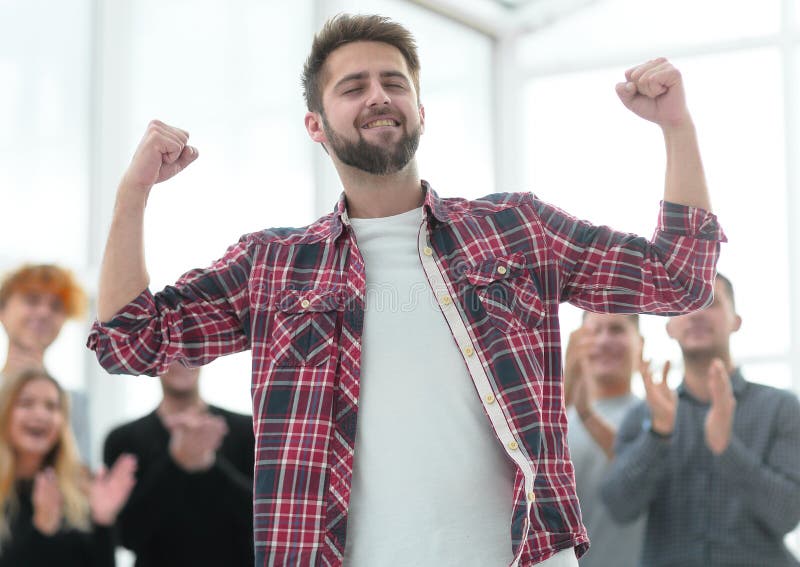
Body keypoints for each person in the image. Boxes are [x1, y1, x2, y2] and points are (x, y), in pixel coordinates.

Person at [87, 14, 725, 567]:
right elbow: (129, 340)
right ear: (315, 123)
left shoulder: (516, 231)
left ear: (421, 108)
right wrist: (132, 192)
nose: (378, 96)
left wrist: (677, 126)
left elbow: (679, 277)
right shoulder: (275, 265)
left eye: (394, 82)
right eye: (353, 86)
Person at [601, 274, 800, 566]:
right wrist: (658, 434)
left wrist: (726, 449)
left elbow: (788, 514)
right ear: (669, 326)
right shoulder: (645, 415)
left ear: (736, 320)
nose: (696, 313)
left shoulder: (782, 408)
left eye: (711, 302)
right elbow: (618, 506)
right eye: (686, 304)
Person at [103, 360, 254, 567]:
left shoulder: (247, 431)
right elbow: (126, 536)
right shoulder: (123, 439)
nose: (182, 359)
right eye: (172, 352)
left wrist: (209, 463)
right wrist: (176, 461)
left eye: (190, 348)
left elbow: (263, 521)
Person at [0, 368, 136, 567]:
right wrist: (40, 532)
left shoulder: (81, 490)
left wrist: (103, 521)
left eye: (51, 407)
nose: (40, 415)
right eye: (26, 403)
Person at [563, 313, 646, 567]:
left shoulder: (657, 418)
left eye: (617, 330)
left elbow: (643, 468)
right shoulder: (557, 422)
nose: (603, 341)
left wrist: (588, 414)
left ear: (640, 343)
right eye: (594, 331)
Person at [0, 264, 93, 460]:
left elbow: (82, 476)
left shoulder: (73, 402)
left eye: (56, 306)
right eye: (32, 301)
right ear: (3, 310)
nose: (44, 312)